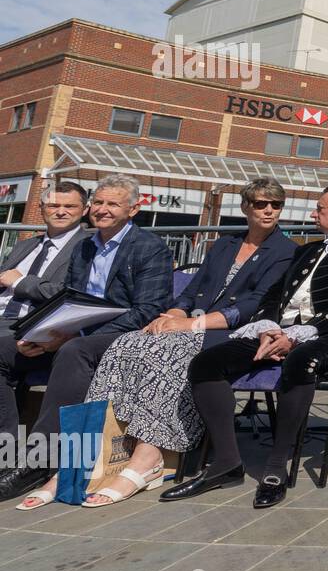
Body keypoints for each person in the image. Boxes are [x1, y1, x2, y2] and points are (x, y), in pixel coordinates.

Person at [15, 179, 296, 510]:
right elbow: (193, 290)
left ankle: (148, 457)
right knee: (129, 344)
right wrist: (171, 314)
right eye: (261, 203)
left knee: (169, 350)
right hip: (193, 321)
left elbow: (255, 303)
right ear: (246, 206)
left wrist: (191, 323)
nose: (268, 210)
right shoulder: (224, 244)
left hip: (237, 331)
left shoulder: (286, 251)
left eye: (275, 205)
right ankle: (89, 453)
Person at [163, 183, 328, 509]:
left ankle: (275, 467)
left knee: (300, 361)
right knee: (207, 363)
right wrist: (269, 327)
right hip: (279, 333)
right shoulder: (306, 250)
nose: (313, 213)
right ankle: (227, 463)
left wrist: (301, 333)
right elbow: (273, 296)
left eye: (320, 209)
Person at [0, 175, 172, 501]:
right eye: (99, 202)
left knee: (75, 350)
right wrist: (44, 331)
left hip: (121, 334)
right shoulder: (84, 247)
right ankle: (4, 450)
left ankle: (40, 457)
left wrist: (71, 334)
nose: (102, 210)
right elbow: (68, 298)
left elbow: (147, 310)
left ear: (133, 209)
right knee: (4, 349)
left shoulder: (150, 248)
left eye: (113, 204)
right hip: (72, 331)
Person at [0, 181, 91, 333]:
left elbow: (72, 294)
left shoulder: (89, 247)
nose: (61, 212)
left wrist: (20, 282)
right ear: (41, 208)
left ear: (85, 210)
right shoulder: (25, 245)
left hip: (31, 324)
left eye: (70, 206)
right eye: (53, 206)